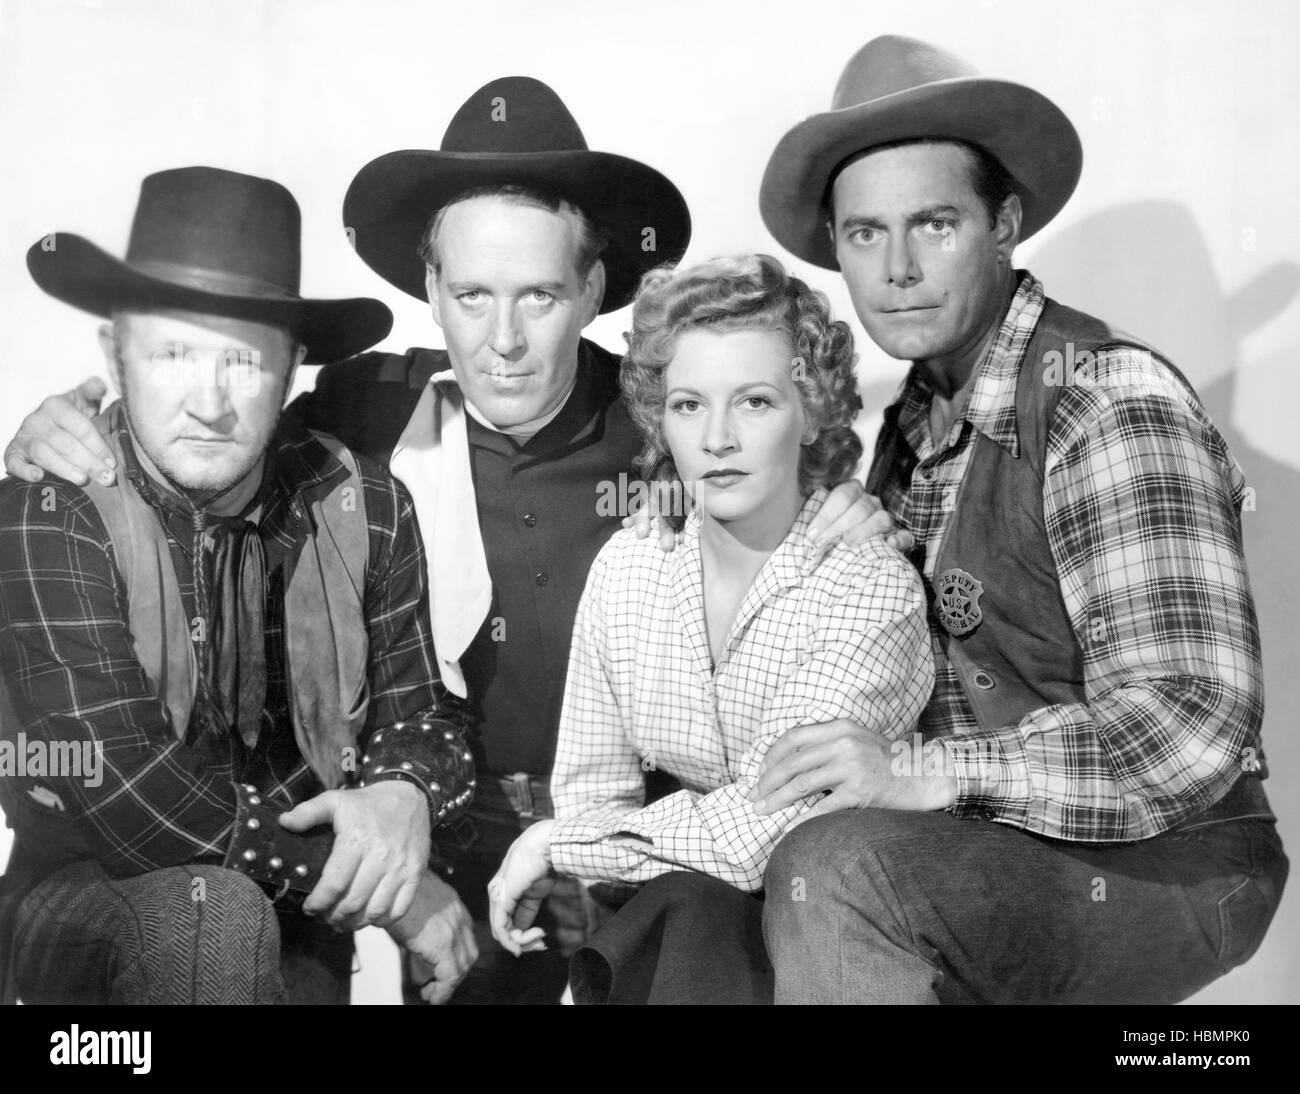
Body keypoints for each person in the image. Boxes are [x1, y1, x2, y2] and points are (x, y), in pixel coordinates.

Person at [1, 78, 886, 1003]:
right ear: (430, 288)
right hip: (452, 842)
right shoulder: (360, 415)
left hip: (653, 842)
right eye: (470, 294)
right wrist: (59, 427)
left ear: (592, 290)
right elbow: (202, 430)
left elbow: (796, 496)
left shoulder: (679, 422)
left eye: (538, 295)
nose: (501, 339)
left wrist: (842, 510)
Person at [751, 35, 1288, 1003]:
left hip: (1177, 859)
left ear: (1002, 224)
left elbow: (1186, 725)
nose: (899, 268)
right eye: (865, 233)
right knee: (719, 885)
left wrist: (928, 769)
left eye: (935, 223)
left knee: (841, 867)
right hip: (993, 845)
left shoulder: (1103, 400)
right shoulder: (904, 428)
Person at [0, 166, 477, 1005]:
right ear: (116, 356)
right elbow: (131, 797)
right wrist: (398, 896)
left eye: (245, 362)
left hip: (297, 927)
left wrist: (405, 794)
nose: (211, 404)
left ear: (294, 367)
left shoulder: (365, 503)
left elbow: (426, 716)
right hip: (80, 912)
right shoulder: (50, 506)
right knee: (211, 914)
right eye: (175, 353)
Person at [486, 254, 933, 1004]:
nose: (717, 437)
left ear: (814, 409)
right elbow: (593, 790)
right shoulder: (630, 565)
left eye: (755, 402)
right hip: (682, 922)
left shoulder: (866, 585)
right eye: (689, 405)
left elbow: (768, 822)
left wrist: (557, 845)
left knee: (695, 913)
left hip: (838, 931)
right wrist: (588, 845)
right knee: (687, 917)